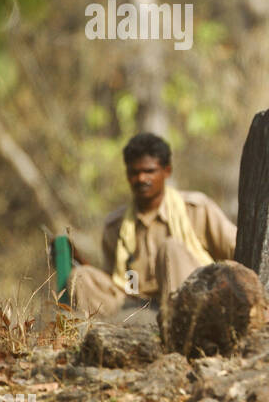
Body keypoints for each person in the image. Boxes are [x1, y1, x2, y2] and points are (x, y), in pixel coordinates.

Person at [64, 133, 237, 317]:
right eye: (134, 173)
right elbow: (116, 282)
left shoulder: (196, 209)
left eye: (149, 171)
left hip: (190, 302)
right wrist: (79, 261)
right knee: (81, 277)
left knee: (171, 249)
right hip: (137, 308)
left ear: (167, 171)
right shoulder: (116, 226)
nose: (141, 179)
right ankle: (103, 336)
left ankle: (184, 327)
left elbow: (238, 251)